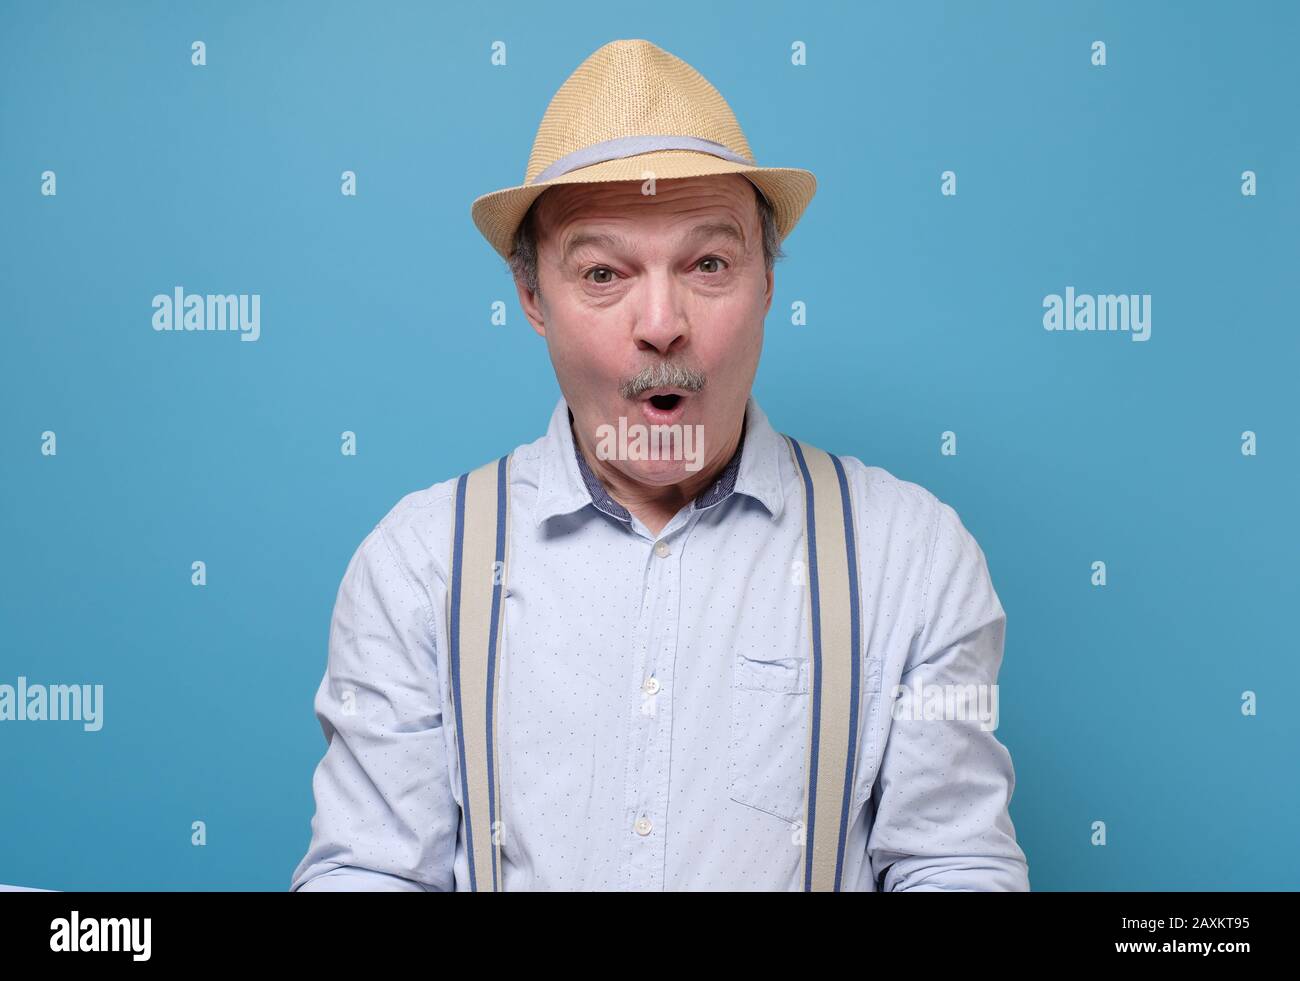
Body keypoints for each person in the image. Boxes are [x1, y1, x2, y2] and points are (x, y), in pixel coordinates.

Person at [290, 38, 1029, 891]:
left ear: (766, 282)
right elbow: (368, 873)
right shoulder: (420, 566)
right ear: (533, 299)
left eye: (708, 263)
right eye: (603, 272)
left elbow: (958, 865)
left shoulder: (914, 557)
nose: (661, 322)